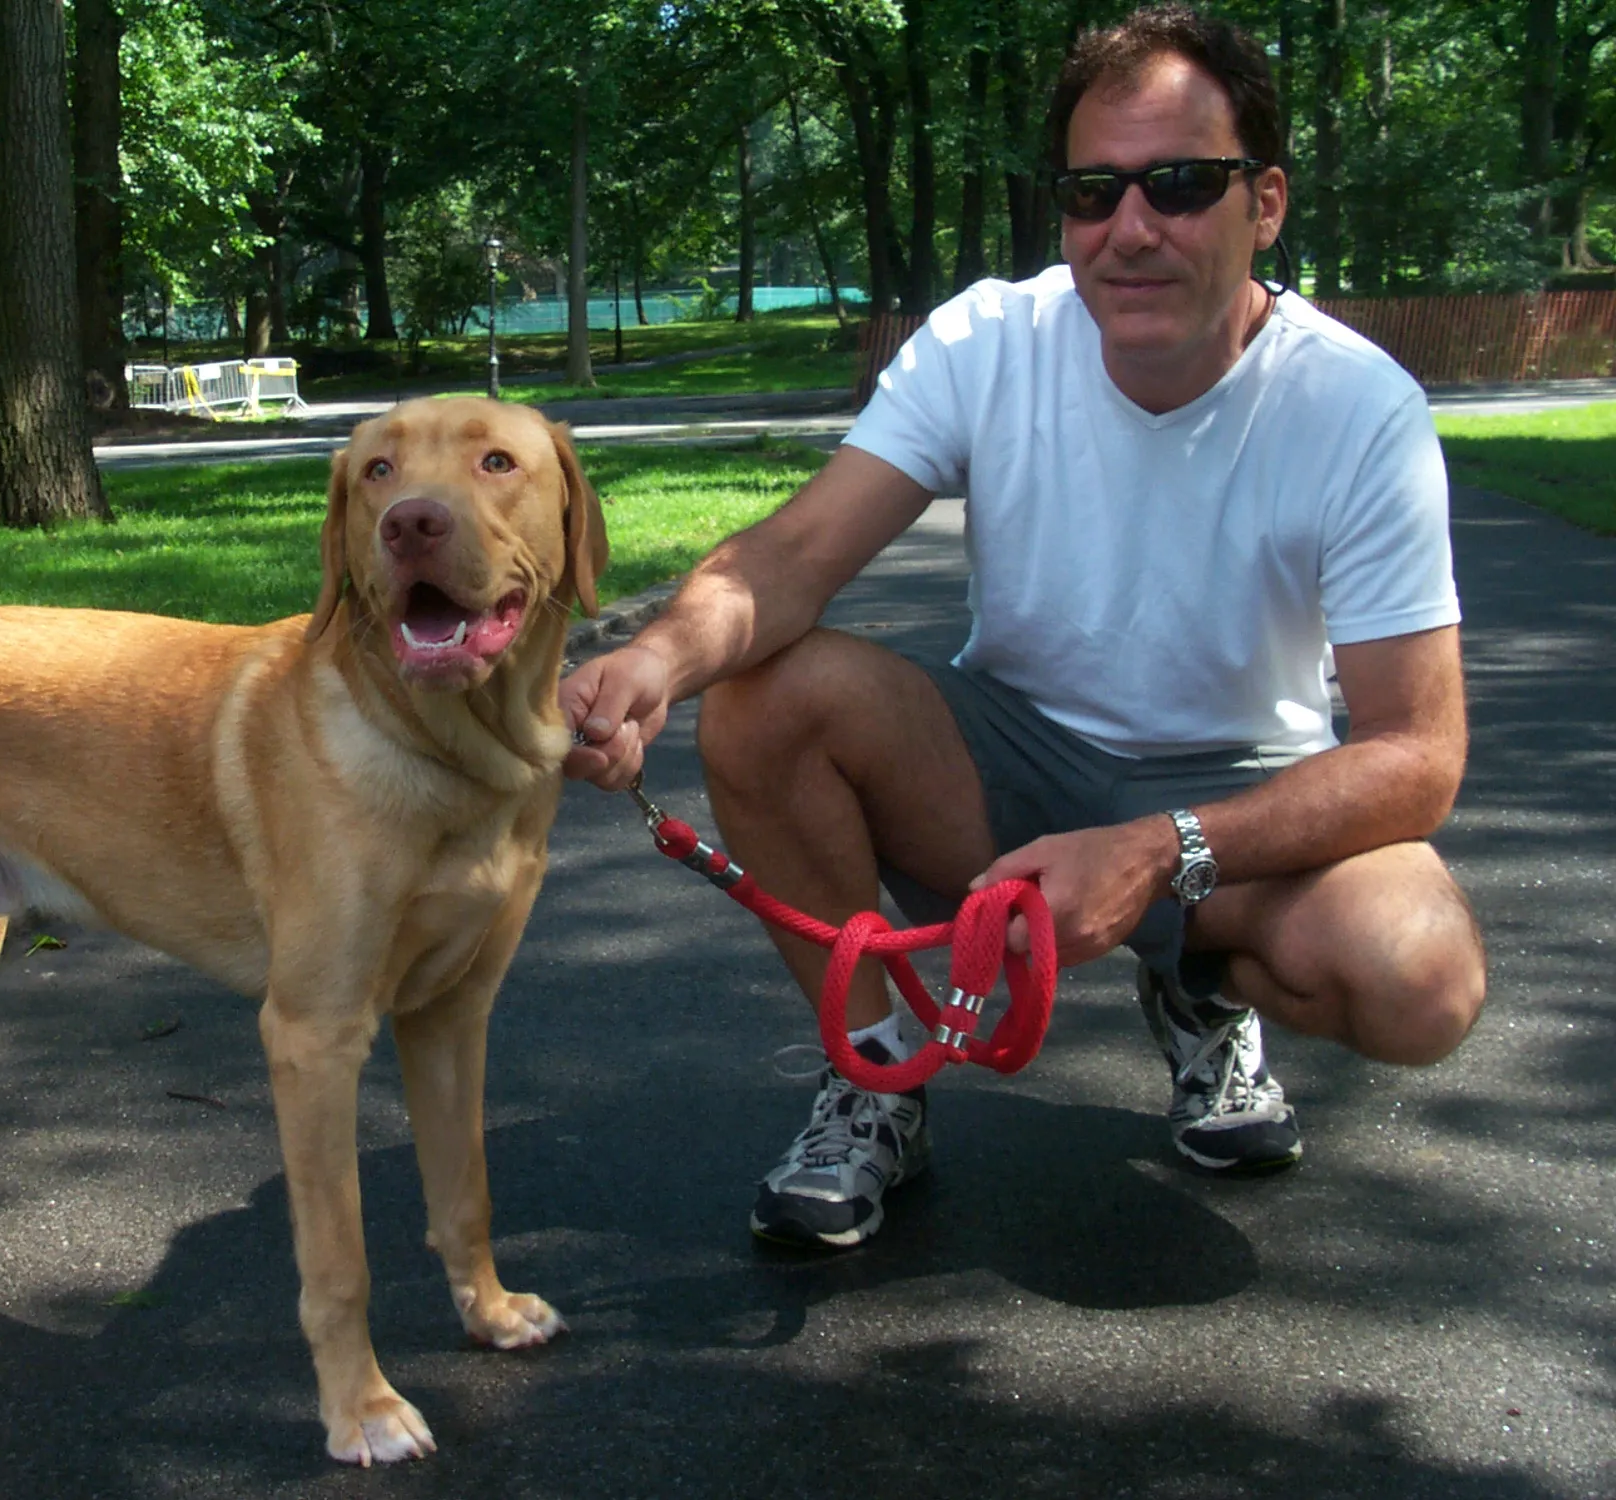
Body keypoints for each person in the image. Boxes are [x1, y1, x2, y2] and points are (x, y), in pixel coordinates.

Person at [558, 3, 1486, 1252]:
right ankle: (877, 1074)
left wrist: (1162, 850)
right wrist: (652, 659)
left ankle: (1197, 989)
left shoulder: (1355, 407)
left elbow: (1416, 757)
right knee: (767, 694)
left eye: (1178, 182)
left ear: (1262, 203)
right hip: (1011, 771)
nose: (1130, 227)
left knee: (1417, 976)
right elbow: (792, 553)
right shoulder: (989, 340)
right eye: (1092, 191)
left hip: (1236, 794)